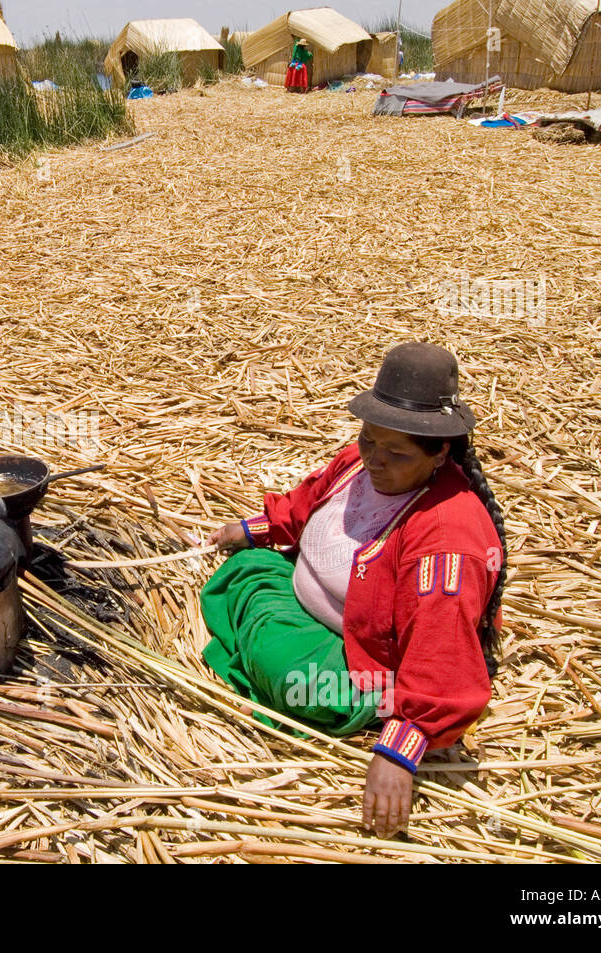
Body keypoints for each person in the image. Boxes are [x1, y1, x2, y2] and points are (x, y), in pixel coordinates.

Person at [201, 342, 507, 838]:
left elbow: (440, 648)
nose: (374, 459)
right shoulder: (361, 459)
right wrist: (256, 529)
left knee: (294, 678)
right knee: (249, 563)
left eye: (395, 452)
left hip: (360, 657)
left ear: (440, 453)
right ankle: (267, 619)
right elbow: (309, 500)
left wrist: (401, 748)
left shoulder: (446, 541)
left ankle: (306, 669)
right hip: (306, 591)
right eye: (368, 439)